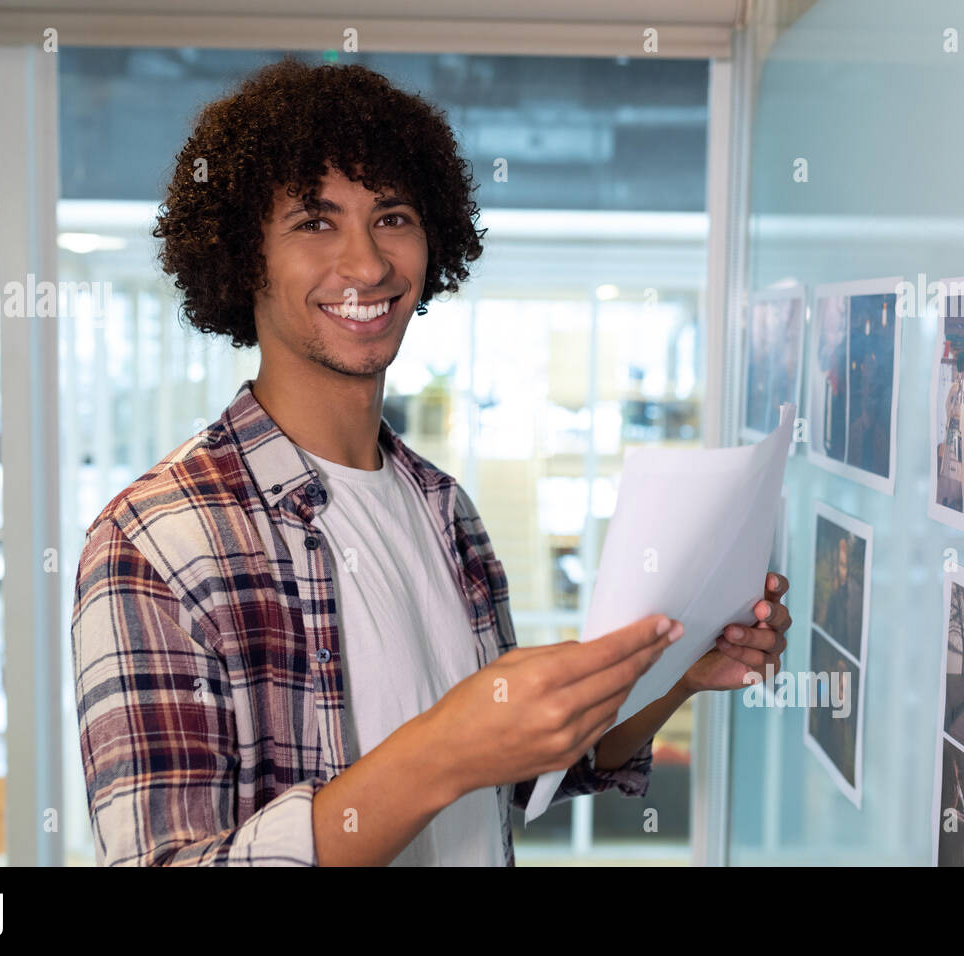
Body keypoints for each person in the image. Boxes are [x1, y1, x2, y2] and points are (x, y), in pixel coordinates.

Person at [70, 57, 792, 867]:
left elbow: (516, 777)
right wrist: (440, 752)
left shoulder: (443, 508)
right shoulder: (156, 542)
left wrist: (681, 678)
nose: (368, 265)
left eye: (392, 217)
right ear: (245, 261)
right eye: (315, 222)